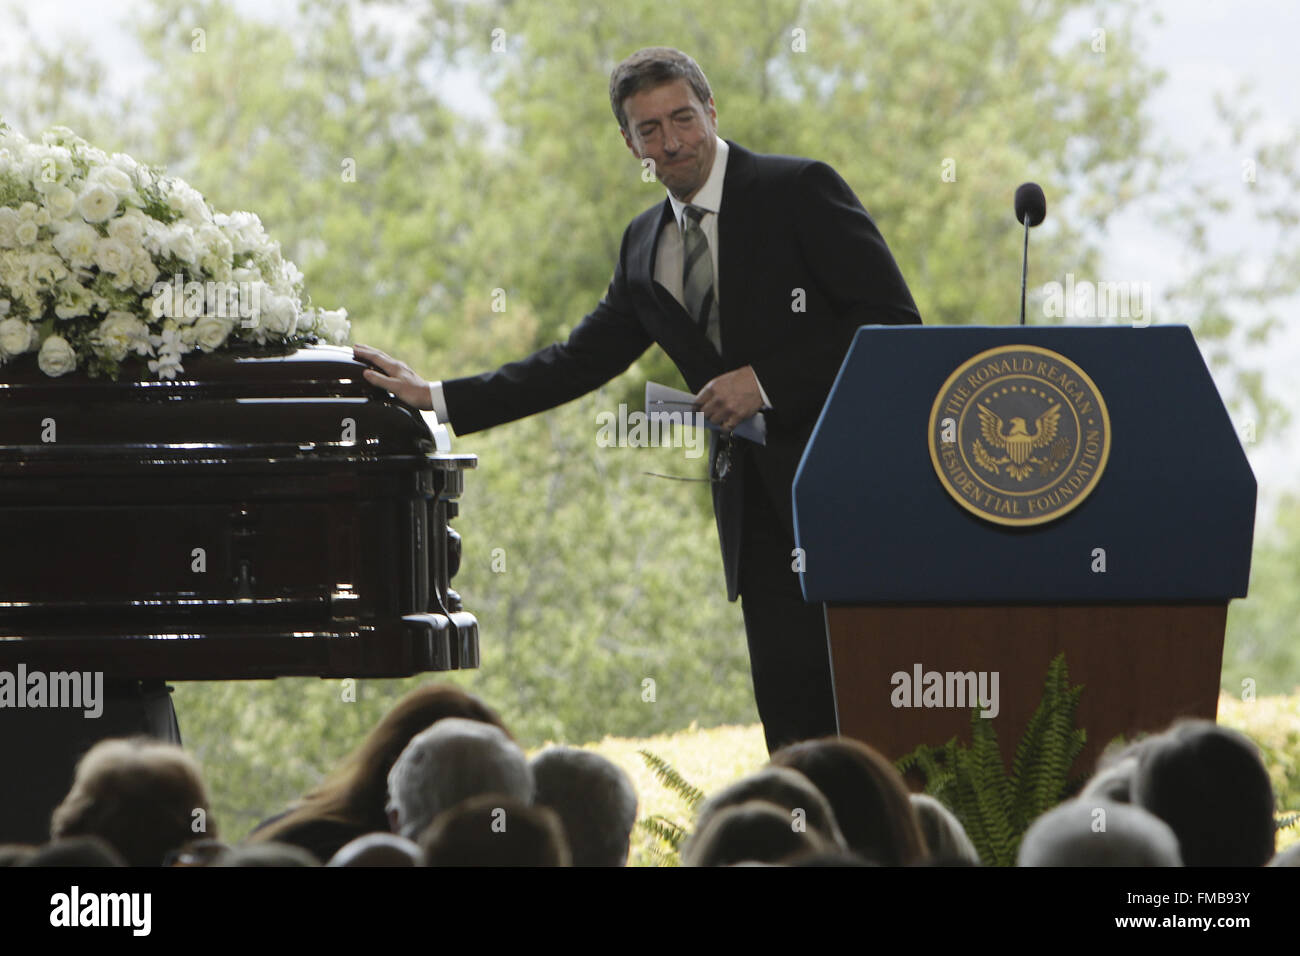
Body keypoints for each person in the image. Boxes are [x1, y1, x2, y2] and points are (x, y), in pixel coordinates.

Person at [356, 47, 921, 753]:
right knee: (798, 739)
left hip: (857, 506)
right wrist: (436, 398)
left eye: (683, 118)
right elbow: (574, 363)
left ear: (712, 113)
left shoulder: (799, 189)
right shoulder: (641, 246)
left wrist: (766, 380)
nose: (672, 141)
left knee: (881, 727)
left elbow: (894, 325)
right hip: (760, 526)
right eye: (649, 130)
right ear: (629, 144)